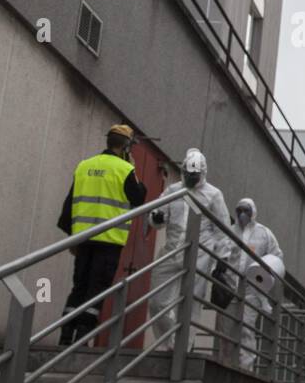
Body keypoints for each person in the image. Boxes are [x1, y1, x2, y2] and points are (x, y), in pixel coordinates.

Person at [57, 124, 147, 347]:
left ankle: (66, 334)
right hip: (108, 241)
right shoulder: (125, 169)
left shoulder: (84, 165)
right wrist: (134, 170)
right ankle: (82, 337)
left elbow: (69, 203)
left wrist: (71, 236)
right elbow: (138, 198)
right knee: (96, 288)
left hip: (83, 239)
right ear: (126, 147)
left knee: (79, 285)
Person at [147, 148, 229, 352]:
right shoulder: (173, 191)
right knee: (157, 301)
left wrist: (222, 259)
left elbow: (223, 230)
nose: (191, 179)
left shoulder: (213, 195)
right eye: (188, 174)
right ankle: (170, 342)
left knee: (190, 304)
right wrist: (156, 218)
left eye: (195, 175)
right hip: (171, 249)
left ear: (203, 172)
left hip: (199, 254)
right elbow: (157, 215)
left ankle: (183, 347)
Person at [225, 198, 284, 372]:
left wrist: (266, 273)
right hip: (230, 286)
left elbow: (276, 257)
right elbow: (221, 252)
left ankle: (245, 367)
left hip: (253, 289)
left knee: (246, 327)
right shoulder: (230, 231)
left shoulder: (264, 233)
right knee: (226, 329)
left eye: (246, 211)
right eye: (240, 210)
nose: (243, 214)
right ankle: (226, 363)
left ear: (253, 212)